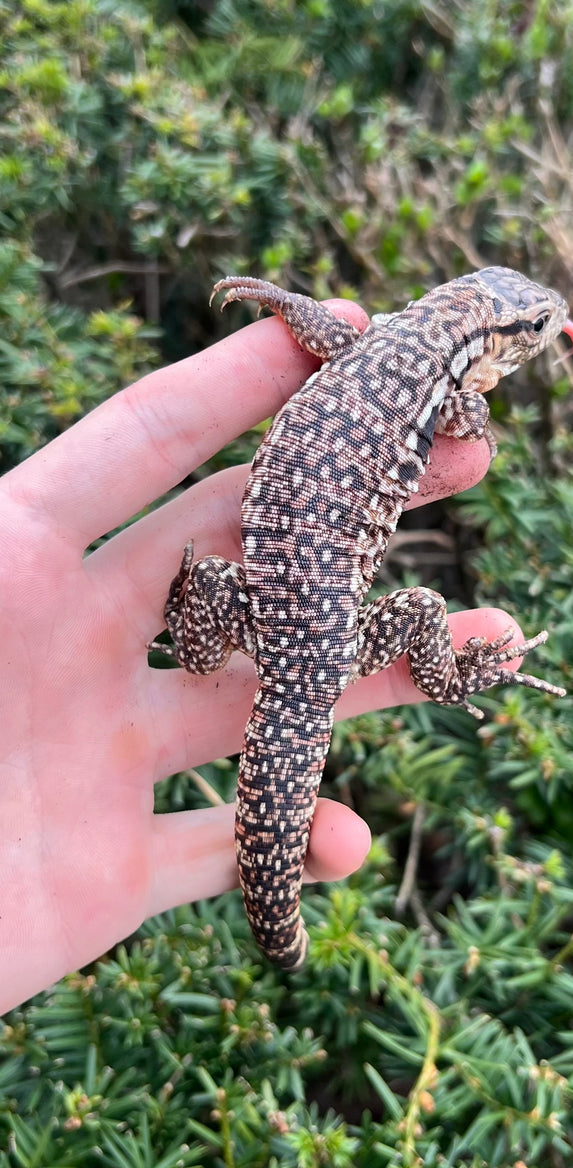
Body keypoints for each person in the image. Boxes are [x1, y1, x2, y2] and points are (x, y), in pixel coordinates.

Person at [0, 297, 529, 1014]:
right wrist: (478, 411)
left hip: (281, 627)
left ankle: (196, 644)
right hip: (324, 643)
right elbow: (465, 425)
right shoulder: (447, 392)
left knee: (212, 583)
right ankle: (449, 678)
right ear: (493, 341)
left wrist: (287, 304)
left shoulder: (365, 341)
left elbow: (326, 331)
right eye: (530, 327)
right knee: (423, 609)